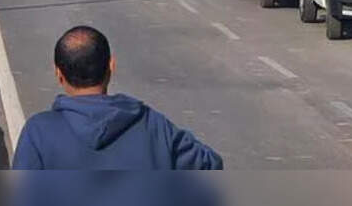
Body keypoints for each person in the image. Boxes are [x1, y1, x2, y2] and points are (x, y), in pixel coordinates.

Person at [12, 25, 223, 170]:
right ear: (111, 67)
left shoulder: (38, 133)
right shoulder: (154, 126)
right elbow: (210, 166)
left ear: (59, 74)